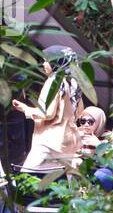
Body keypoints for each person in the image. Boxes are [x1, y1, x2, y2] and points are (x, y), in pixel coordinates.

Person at [12, 44, 83, 172]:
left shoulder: (53, 80)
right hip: (68, 142)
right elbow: (79, 112)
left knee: (26, 176)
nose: (44, 64)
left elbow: (47, 113)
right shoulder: (73, 82)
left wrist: (25, 109)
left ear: (56, 62)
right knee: (59, 183)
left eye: (47, 61)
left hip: (50, 141)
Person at [76, 107, 113, 190]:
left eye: (90, 122)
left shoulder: (109, 136)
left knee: (102, 175)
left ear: (99, 122)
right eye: (83, 121)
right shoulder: (77, 133)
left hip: (102, 169)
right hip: (83, 168)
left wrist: (98, 144)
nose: (86, 124)